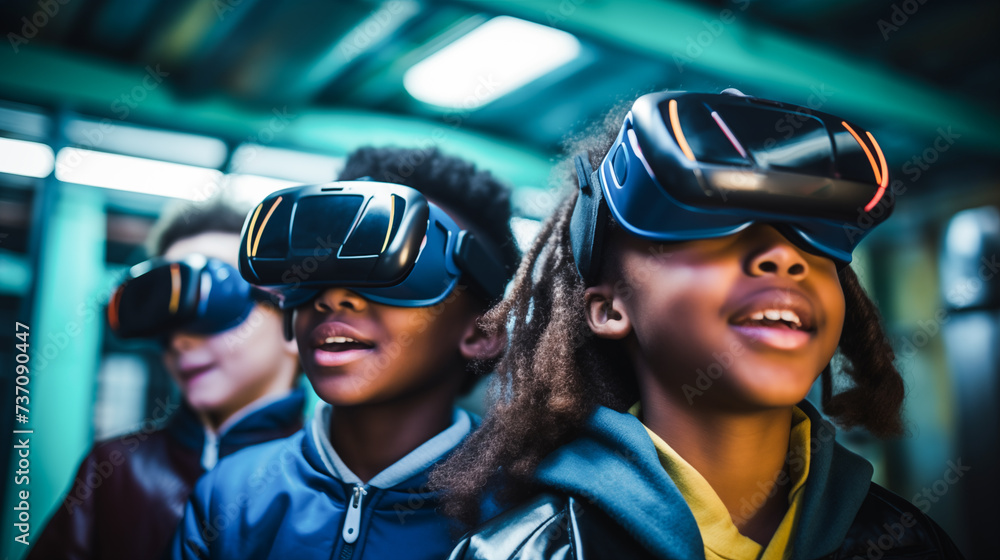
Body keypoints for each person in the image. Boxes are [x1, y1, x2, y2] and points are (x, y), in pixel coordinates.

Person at [435, 91, 965, 559]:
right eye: (706, 227)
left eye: (813, 235)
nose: (782, 256)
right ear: (609, 309)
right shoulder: (519, 553)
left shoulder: (915, 544)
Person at [170, 146, 519, 560]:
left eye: (401, 266)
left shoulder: (524, 513)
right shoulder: (229, 495)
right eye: (315, 269)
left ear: (482, 329)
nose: (334, 297)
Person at [26, 198, 305, 560]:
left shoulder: (335, 477)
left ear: (293, 322)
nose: (179, 340)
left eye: (212, 302)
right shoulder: (115, 471)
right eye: (166, 319)